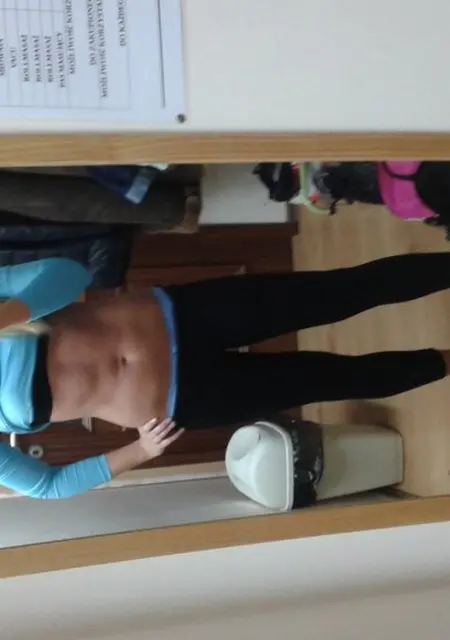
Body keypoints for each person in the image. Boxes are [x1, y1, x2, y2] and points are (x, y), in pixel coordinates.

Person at [2, 253, 450, 500]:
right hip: (186, 397)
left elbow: (70, 273)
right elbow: (47, 486)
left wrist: (11, 314)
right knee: (338, 379)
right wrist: (139, 451)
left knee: (343, 290)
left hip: (183, 315)